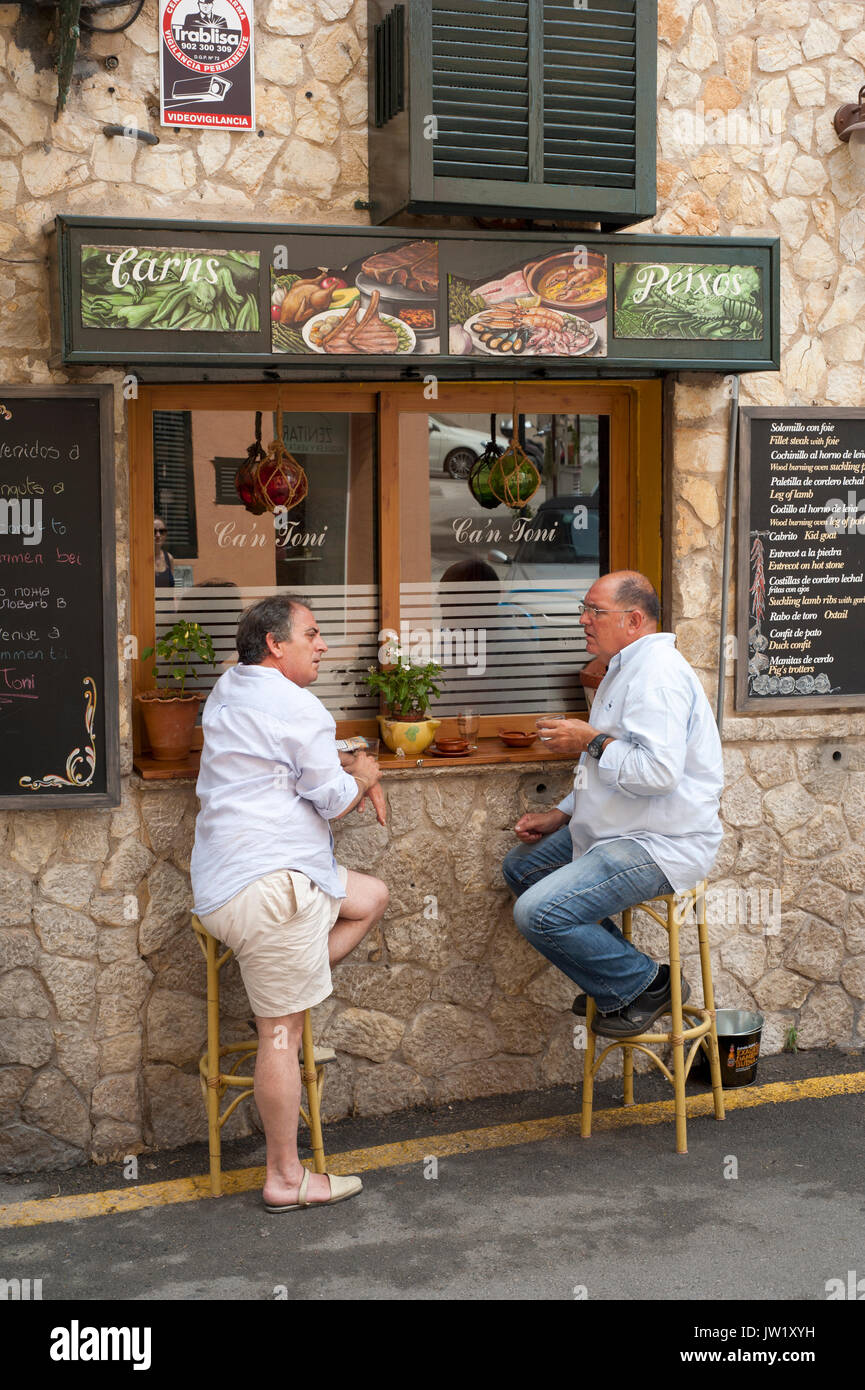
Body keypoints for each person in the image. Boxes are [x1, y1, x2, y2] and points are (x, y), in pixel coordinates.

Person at [190, 595, 389, 1211]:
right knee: (282, 1034)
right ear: (276, 645)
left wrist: (346, 757)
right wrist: (367, 775)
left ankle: (287, 984)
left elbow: (288, 752)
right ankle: (284, 1177)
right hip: (273, 891)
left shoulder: (229, 686)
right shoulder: (299, 706)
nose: (323, 645)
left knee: (371, 895)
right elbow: (332, 800)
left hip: (222, 887)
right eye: (313, 634)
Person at [502, 570, 723, 1038]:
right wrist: (561, 813)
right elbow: (605, 764)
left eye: (594, 611)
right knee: (522, 869)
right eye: (584, 609)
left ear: (634, 619)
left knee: (538, 913)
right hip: (616, 829)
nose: (583, 619)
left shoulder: (656, 677)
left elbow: (657, 775)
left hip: (659, 841)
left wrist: (591, 739)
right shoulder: (622, 667)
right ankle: (620, 980)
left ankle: (645, 983)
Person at [153, 517, 174, 589]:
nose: (158, 535)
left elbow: (172, 589)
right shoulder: (142, 559)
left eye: (162, 531)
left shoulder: (169, 558)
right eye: (154, 531)